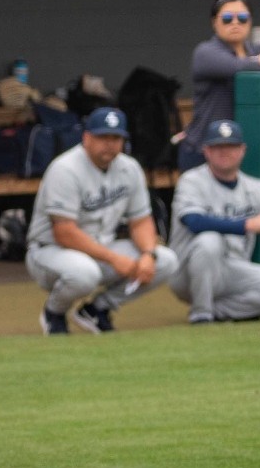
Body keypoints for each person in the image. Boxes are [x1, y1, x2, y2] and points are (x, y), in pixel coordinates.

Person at [25, 107, 178, 335]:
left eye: (115, 138)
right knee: (84, 273)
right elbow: (64, 232)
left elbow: (141, 221)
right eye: (102, 137)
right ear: (86, 138)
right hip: (49, 252)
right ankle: (54, 312)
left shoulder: (129, 168)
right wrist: (114, 259)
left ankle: (97, 310)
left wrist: (148, 254)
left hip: (99, 249)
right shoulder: (65, 169)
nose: (109, 144)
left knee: (165, 260)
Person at [168, 120, 260, 323]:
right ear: (206, 151)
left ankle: (219, 310)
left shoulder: (256, 189)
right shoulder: (192, 180)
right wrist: (247, 225)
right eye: (217, 146)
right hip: (188, 272)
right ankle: (201, 315)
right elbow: (193, 221)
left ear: (242, 150)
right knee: (209, 241)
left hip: (232, 270)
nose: (224, 152)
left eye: (230, 146)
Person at [178, 0, 260, 172]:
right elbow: (235, 66)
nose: (235, 23)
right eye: (227, 18)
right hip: (205, 150)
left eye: (242, 18)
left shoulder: (257, 49)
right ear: (214, 22)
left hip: (240, 150)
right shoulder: (205, 52)